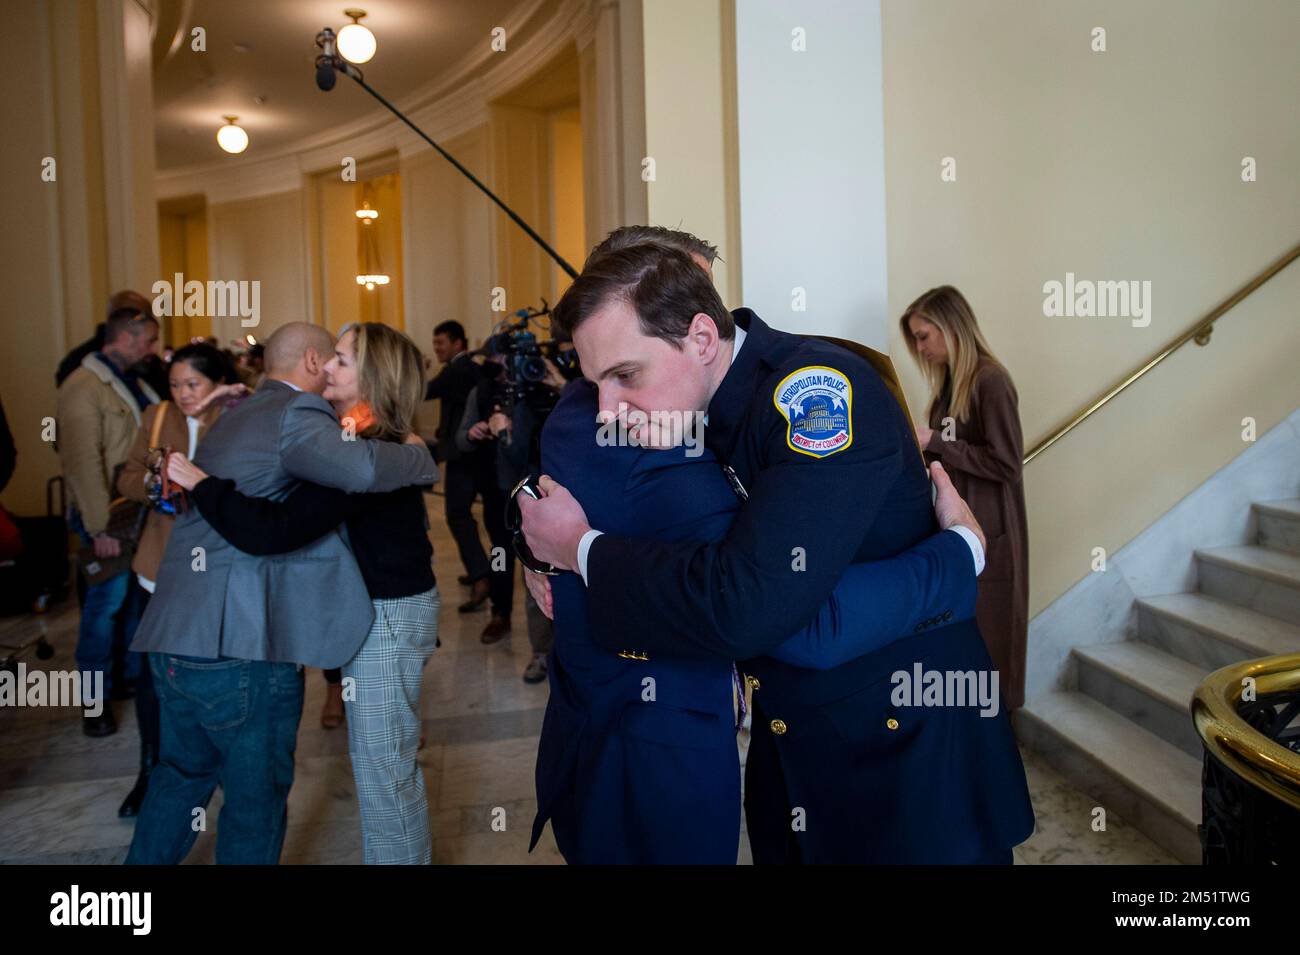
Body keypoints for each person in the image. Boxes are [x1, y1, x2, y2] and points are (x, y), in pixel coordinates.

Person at [520, 238, 1034, 863]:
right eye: (597, 380)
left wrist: (582, 550)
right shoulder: (682, 403)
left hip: (905, 739)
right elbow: (564, 468)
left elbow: (756, 607)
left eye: (625, 375)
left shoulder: (816, 392)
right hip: (797, 736)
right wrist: (531, 543)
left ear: (703, 339)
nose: (608, 408)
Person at [531, 376, 978, 863]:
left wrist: (543, 536)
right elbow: (798, 624)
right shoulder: (650, 438)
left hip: (618, 730)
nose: (606, 407)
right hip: (648, 749)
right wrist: (962, 551)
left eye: (626, 373)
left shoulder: (604, 410)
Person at [124, 322, 436, 865]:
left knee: (382, 767)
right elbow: (279, 526)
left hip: (386, 612)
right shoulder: (334, 434)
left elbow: (287, 523)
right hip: (276, 631)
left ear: (373, 374)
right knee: (289, 787)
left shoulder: (360, 439)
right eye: (330, 357)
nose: (329, 368)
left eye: (342, 359)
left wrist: (204, 485)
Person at [113, 343, 243, 817]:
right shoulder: (157, 414)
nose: (185, 394)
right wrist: (154, 484)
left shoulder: (233, 413)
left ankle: (225, 772)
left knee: (213, 674)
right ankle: (150, 770)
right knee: (154, 677)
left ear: (216, 382)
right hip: (157, 564)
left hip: (211, 567)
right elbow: (127, 475)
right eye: (176, 384)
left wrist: (228, 405)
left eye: (194, 385)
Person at [902, 285, 1029, 710]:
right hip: (963, 523)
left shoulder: (991, 380)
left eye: (924, 336)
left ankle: (996, 738)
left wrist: (935, 439)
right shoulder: (952, 385)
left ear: (951, 328)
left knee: (992, 637)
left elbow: (1007, 463)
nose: (920, 347)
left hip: (991, 527)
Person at [56, 291, 161, 736]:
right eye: (150, 340)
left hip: (139, 510)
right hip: (108, 516)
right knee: (105, 606)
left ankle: (131, 680)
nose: (154, 349)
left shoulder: (136, 380)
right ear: (126, 336)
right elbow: (82, 462)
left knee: (134, 601)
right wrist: (99, 526)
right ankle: (94, 701)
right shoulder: (82, 385)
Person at [456, 352, 562, 677]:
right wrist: (476, 431)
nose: (508, 366)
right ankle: (500, 614)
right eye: (501, 358)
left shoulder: (544, 391)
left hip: (545, 491)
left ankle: (548, 651)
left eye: (513, 359)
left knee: (542, 572)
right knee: (501, 557)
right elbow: (461, 440)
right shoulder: (482, 392)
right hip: (501, 493)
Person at [424, 320, 490, 606]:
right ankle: (480, 570)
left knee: (458, 515)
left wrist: (416, 368)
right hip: (481, 454)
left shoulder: (456, 370)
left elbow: (424, 392)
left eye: (441, 343)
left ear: (457, 344)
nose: (436, 348)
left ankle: (480, 576)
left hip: (463, 457)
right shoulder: (473, 368)